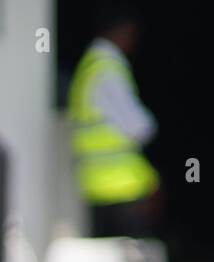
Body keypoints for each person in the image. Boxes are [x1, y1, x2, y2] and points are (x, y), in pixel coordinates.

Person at [67, 5, 159, 238]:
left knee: (107, 261)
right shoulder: (106, 69)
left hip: (95, 185)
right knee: (133, 260)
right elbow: (139, 127)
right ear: (124, 31)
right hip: (121, 187)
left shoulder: (90, 66)